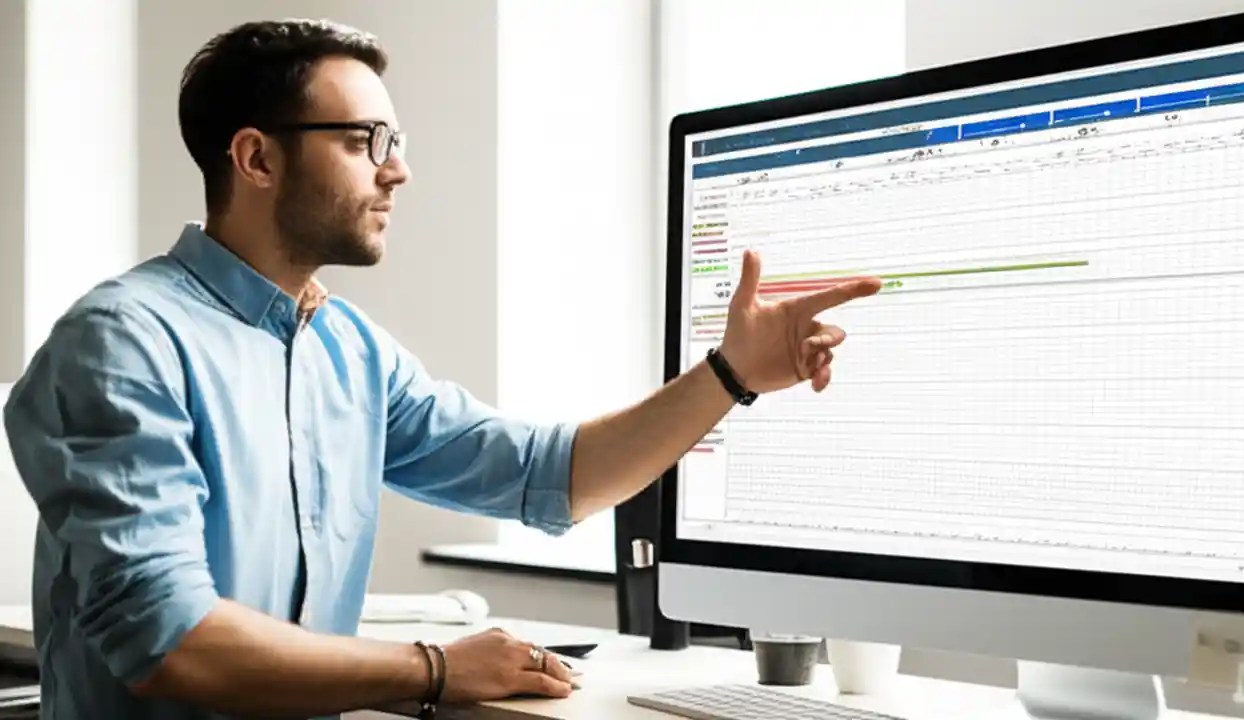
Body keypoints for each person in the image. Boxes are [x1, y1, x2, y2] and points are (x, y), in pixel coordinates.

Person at [2, 17, 881, 720]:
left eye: (396, 137)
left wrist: (728, 374)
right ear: (257, 158)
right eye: (364, 139)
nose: (400, 169)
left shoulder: (347, 351)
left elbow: (549, 477)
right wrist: (430, 669)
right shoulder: (121, 342)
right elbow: (171, 641)